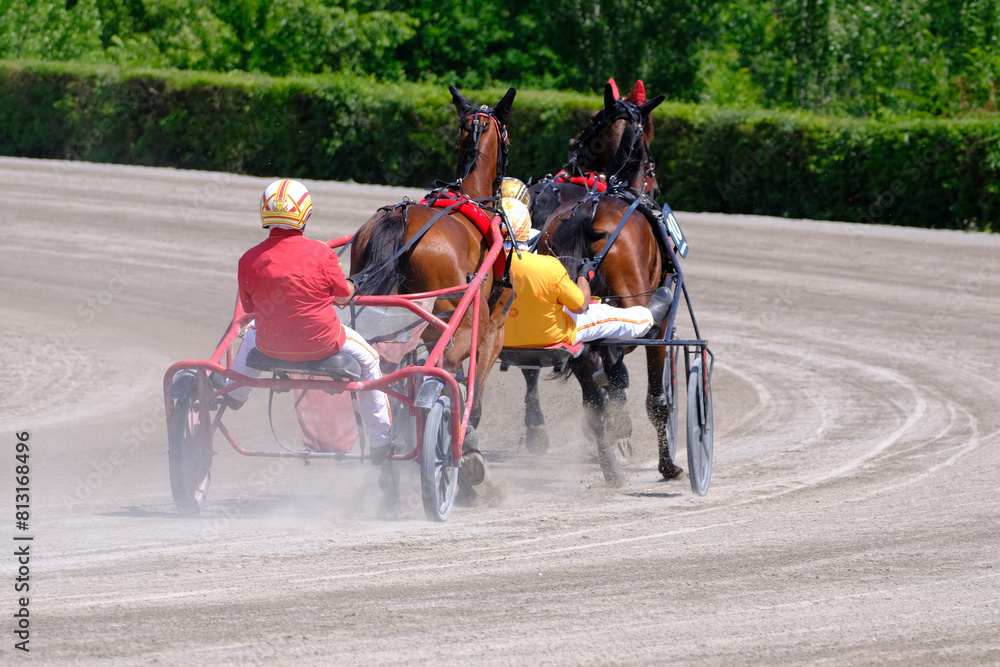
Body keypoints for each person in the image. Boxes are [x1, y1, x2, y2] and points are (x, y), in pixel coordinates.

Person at [228, 179, 394, 464]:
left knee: (251, 334)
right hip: (324, 344)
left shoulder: (248, 260)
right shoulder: (322, 253)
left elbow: (251, 308)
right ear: (305, 214)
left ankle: (236, 394)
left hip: (269, 347)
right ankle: (381, 440)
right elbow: (343, 297)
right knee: (370, 360)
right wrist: (352, 284)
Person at [498, 184, 672, 348]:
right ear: (526, 224)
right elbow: (580, 306)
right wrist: (583, 276)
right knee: (602, 313)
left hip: (504, 335)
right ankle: (647, 318)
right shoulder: (549, 267)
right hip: (550, 334)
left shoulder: (487, 265)